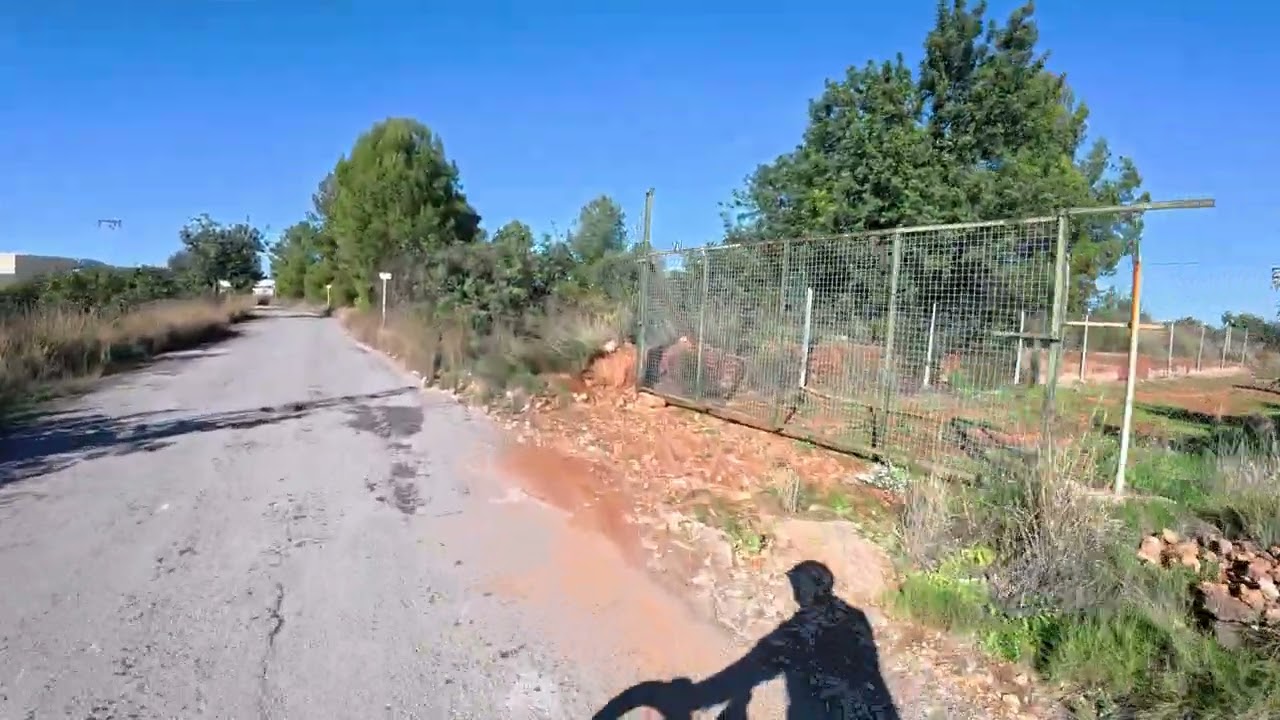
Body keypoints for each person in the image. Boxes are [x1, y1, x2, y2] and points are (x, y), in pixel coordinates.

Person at [593, 560, 900, 719]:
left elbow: (742, 673)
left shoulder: (796, 633)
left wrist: (697, 697)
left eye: (795, 584)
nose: (793, 590)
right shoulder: (856, 618)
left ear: (804, 589)